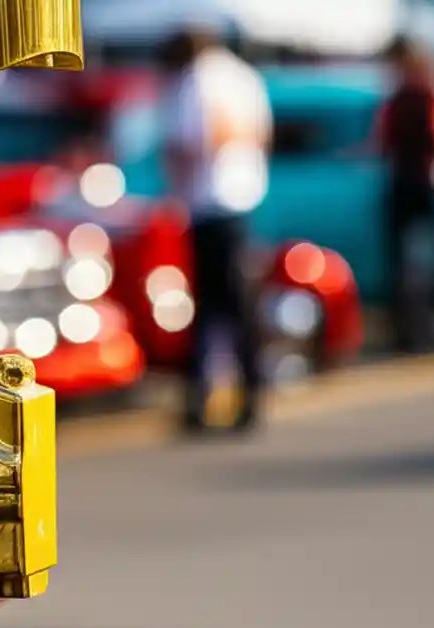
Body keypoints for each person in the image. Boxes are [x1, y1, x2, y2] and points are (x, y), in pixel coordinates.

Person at [158, 27, 273, 432]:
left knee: (209, 308)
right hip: (240, 202)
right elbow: (261, 136)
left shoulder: (196, 80)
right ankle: (252, 393)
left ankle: (201, 399)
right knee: (240, 305)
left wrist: (173, 184)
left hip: (207, 202)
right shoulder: (244, 77)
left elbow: (189, 140)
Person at [376, 36, 434, 352]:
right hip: (410, 179)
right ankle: (412, 329)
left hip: (424, 181)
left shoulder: (431, 93)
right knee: (407, 261)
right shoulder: (406, 95)